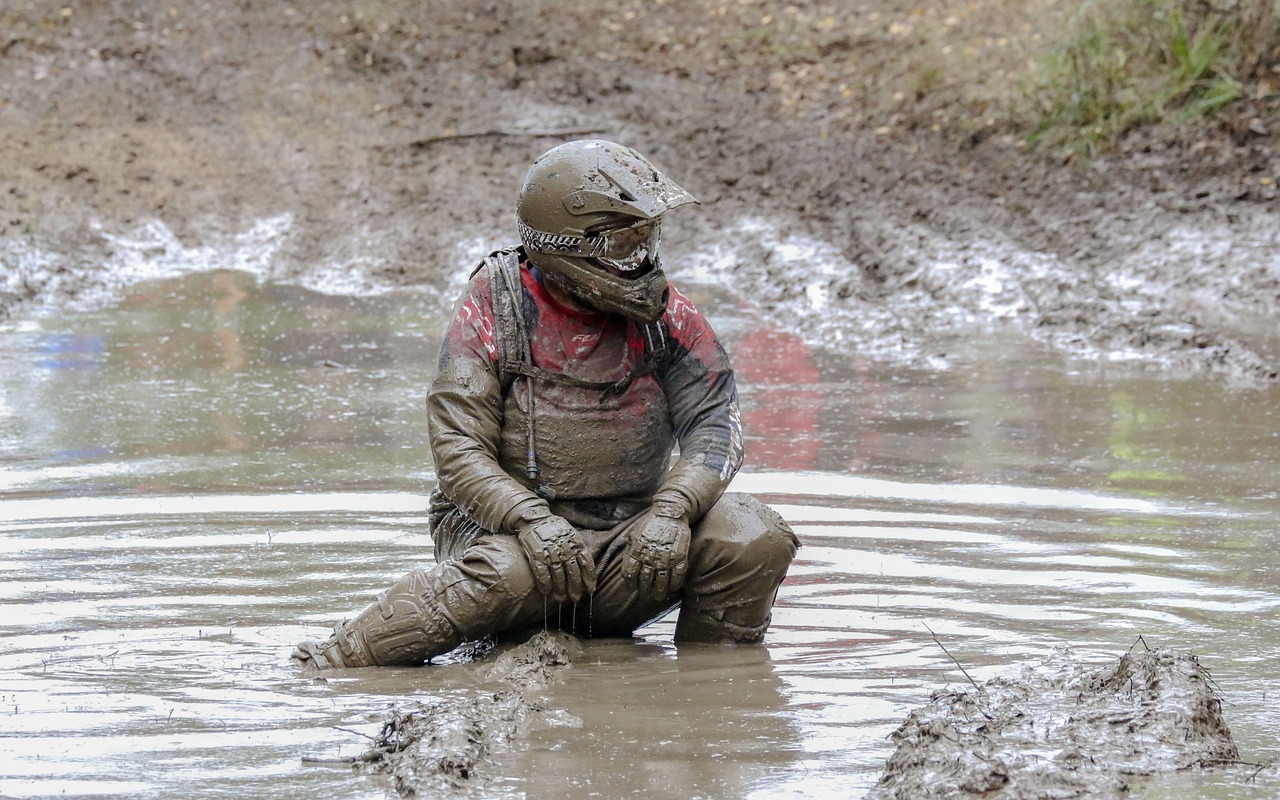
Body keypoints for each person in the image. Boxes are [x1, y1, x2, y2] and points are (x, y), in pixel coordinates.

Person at [292, 139, 798, 670]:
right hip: (503, 537)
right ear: (566, 245)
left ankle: (715, 682)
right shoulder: (494, 307)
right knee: (508, 575)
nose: (642, 260)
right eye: (622, 246)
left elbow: (716, 421)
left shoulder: (669, 316)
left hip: (636, 536)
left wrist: (674, 509)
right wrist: (530, 519)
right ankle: (333, 661)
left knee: (754, 536)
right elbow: (458, 447)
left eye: (647, 240)